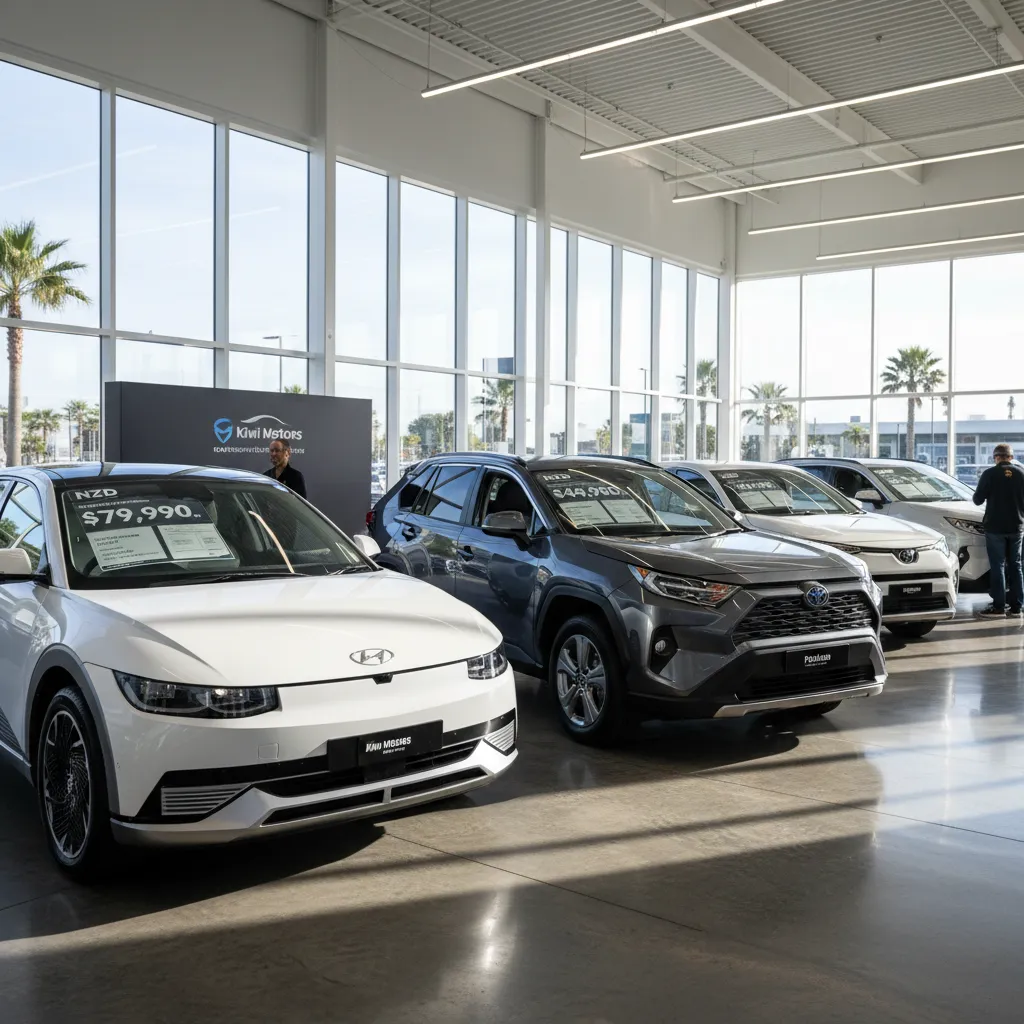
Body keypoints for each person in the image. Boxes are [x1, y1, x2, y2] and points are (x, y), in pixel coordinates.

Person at [973, 442, 1024, 618]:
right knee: (1016, 565)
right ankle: (1017, 607)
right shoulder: (1022, 473)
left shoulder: (989, 474)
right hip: (1017, 527)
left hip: (994, 527)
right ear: (1011, 457)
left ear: (996, 457)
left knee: (998, 566)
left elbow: (977, 500)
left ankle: (998, 607)